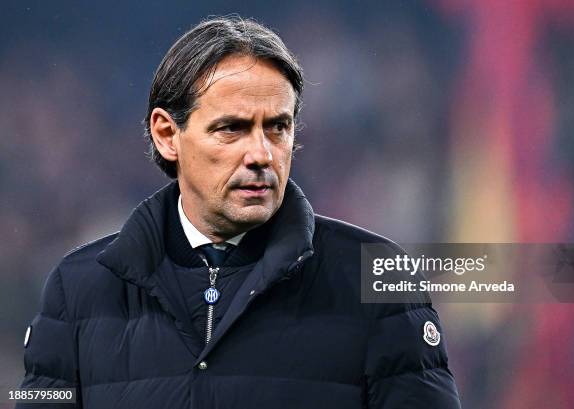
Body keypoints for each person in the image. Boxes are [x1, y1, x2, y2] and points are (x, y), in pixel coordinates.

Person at [16, 16, 461, 409]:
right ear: (167, 134)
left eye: (278, 127)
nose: (262, 154)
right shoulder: (78, 291)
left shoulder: (378, 282)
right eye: (232, 128)